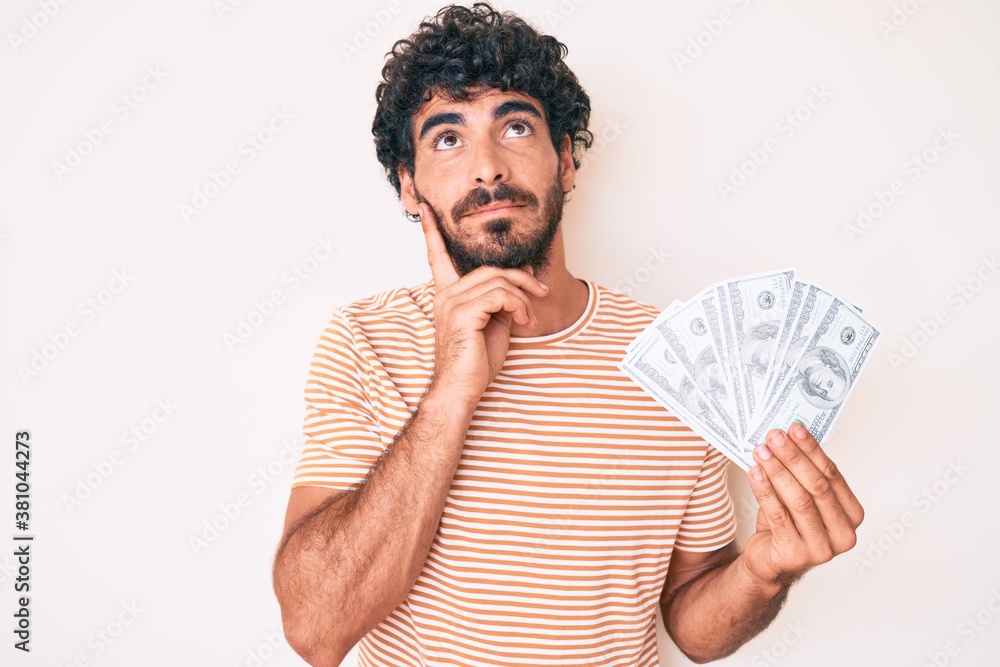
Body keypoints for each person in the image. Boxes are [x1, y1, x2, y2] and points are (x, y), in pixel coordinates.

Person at [271, 4, 865, 666]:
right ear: (410, 186)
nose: (487, 167)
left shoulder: (674, 358)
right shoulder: (366, 340)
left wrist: (765, 570)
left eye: (516, 127)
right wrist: (452, 390)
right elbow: (316, 626)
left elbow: (695, 623)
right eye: (447, 139)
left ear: (565, 162)